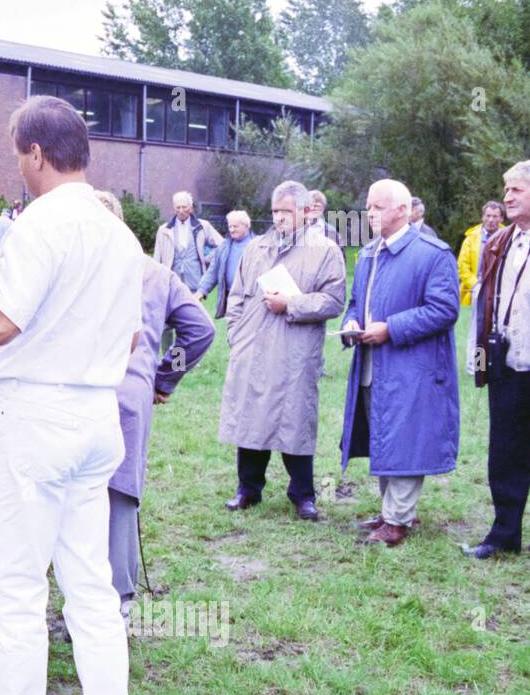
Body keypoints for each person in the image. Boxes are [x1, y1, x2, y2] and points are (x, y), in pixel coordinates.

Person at [0, 95, 143, 695]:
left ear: (34, 153)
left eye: (16, 153)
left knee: (15, 583)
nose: (16, 166)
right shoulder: (120, 232)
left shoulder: (41, 222)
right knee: (92, 588)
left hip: (38, 417)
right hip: (97, 415)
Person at [339, 180, 459, 547]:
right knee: (383, 435)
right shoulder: (369, 254)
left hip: (411, 367)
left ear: (403, 211)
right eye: (368, 206)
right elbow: (359, 301)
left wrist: (391, 329)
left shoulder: (432, 253)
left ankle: (397, 519)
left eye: (377, 207)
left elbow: (444, 310)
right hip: (373, 365)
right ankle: (390, 511)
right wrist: (351, 322)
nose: (369, 213)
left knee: (406, 437)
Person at [218, 180, 346, 521]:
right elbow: (237, 296)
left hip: (295, 352)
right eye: (275, 211)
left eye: (286, 212)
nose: (279, 218)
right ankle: (248, 488)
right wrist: (237, 334)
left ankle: (302, 494)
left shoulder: (326, 250)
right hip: (254, 350)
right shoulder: (257, 248)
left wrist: (292, 304)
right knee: (251, 420)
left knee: (296, 423)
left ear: (305, 212)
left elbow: (334, 300)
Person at [111, 251, 215, 621]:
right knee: (118, 496)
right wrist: (162, 376)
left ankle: (12, 606)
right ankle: (116, 605)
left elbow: (201, 331)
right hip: (128, 395)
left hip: (69, 392)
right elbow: (200, 330)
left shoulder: (68, 255)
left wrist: (166, 375)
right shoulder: (155, 272)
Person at [464, 160, 530, 559]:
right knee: (504, 450)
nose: (506, 198)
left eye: (516, 191)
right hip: (506, 363)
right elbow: (483, 307)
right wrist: (480, 360)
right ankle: (504, 535)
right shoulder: (499, 242)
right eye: (505, 190)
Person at [152, 191, 223, 294]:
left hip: (195, 282)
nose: (181, 211)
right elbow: (156, 258)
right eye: (178, 207)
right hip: (171, 282)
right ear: (174, 207)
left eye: (184, 207)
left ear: (191, 207)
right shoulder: (163, 230)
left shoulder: (203, 226)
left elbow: (222, 245)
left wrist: (207, 258)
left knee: (193, 310)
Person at [195, 210, 253, 318]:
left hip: (251, 299)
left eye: (235, 226)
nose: (231, 230)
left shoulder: (257, 245)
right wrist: (201, 291)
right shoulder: (223, 247)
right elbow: (212, 272)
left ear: (246, 226)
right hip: (231, 297)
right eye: (230, 226)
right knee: (233, 331)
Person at [458, 202, 505, 306]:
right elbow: (462, 266)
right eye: (488, 216)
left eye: (495, 216)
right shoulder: (471, 238)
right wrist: (475, 285)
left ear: (501, 218)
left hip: (499, 292)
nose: (491, 220)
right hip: (473, 291)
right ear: (483, 217)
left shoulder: (507, 237)